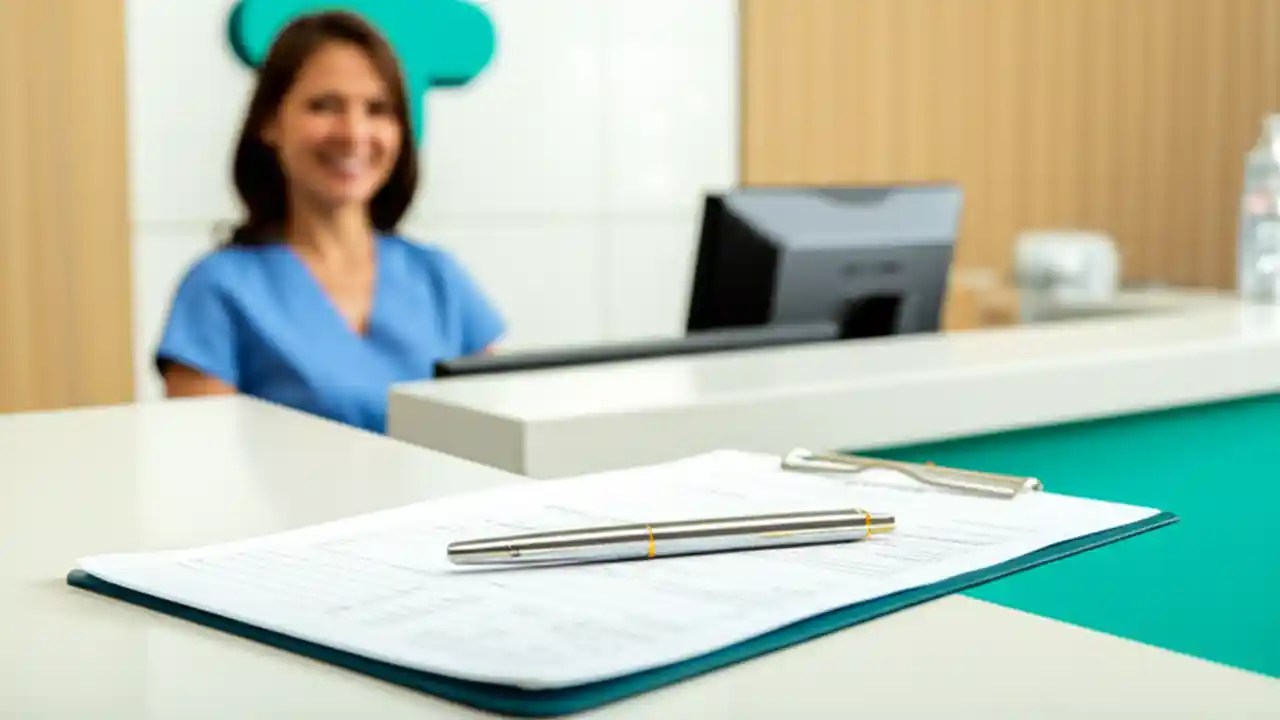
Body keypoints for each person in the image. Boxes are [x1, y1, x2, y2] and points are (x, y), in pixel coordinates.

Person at [154, 11, 504, 433]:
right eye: (324, 106)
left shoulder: (439, 279)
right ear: (270, 122)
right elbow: (200, 472)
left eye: (378, 109)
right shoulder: (218, 290)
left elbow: (499, 442)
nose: (354, 133)